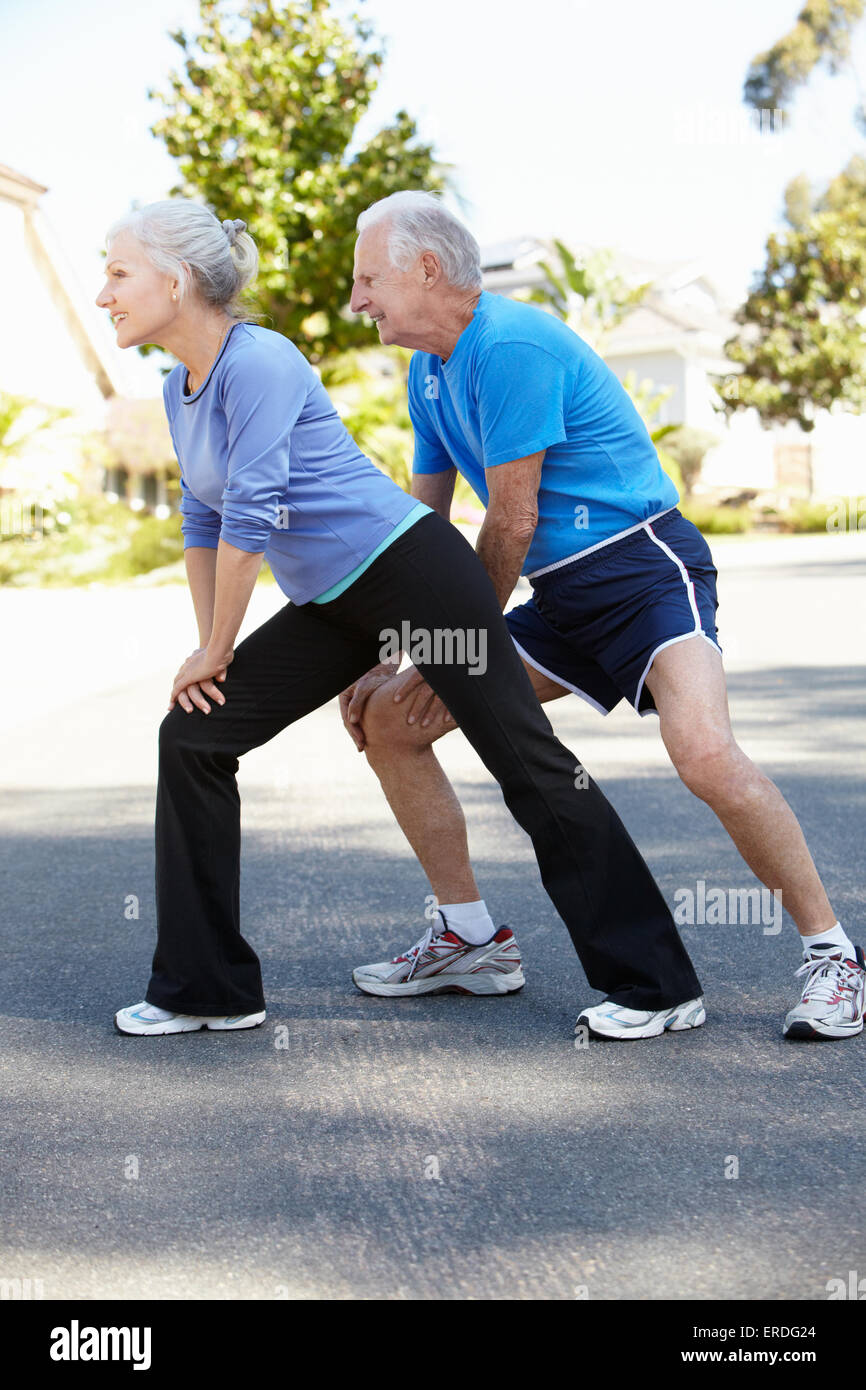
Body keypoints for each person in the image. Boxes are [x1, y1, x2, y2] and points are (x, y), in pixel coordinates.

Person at [95, 197, 704, 1037]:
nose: (106, 294)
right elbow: (205, 522)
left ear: (176, 279)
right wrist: (212, 651)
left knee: (526, 762)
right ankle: (208, 989)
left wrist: (217, 647)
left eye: (118, 272)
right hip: (337, 602)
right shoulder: (179, 390)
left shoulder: (262, 362)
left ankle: (657, 984)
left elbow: (251, 520)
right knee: (196, 736)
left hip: (416, 578)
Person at [341, 190, 865, 1043]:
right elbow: (426, 533)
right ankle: (469, 939)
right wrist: (394, 650)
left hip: (643, 569)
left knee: (704, 754)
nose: (357, 302)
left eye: (368, 281)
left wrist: (454, 650)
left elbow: (508, 522)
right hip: (560, 598)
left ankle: (834, 956)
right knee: (389, 718)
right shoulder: (426, 373)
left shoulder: (506, 346)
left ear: (426, 270)